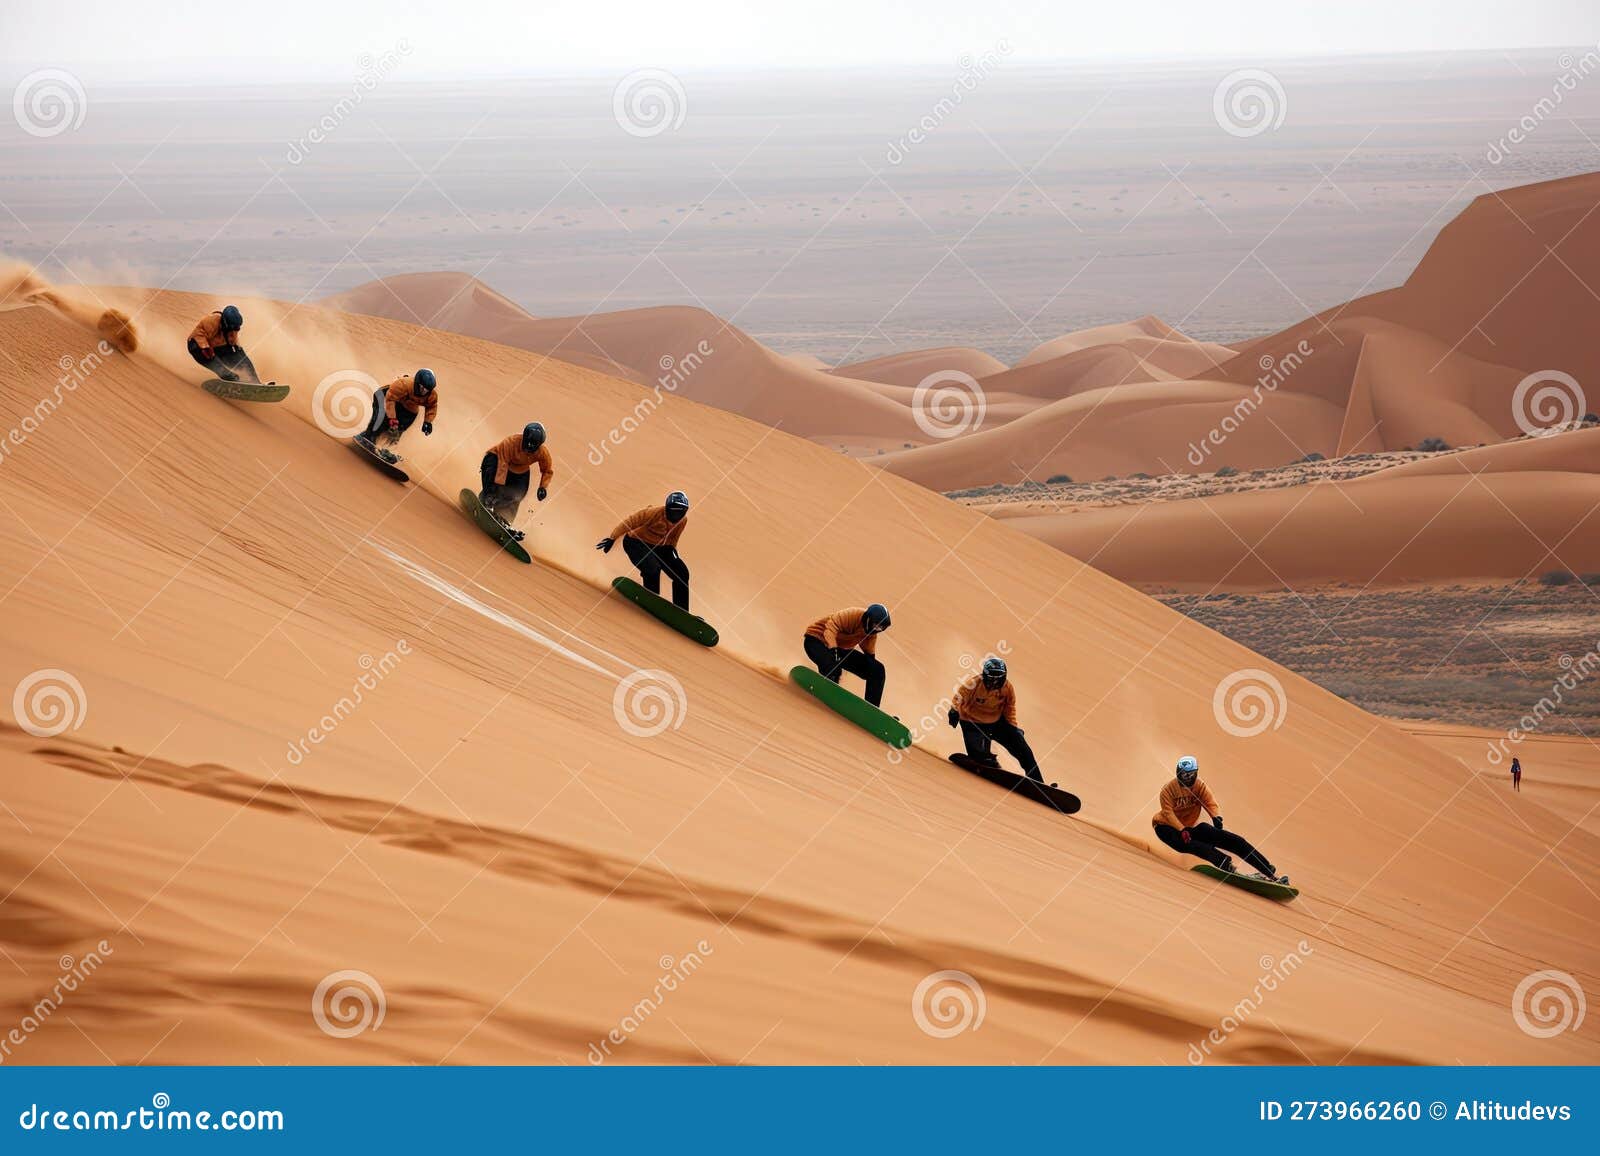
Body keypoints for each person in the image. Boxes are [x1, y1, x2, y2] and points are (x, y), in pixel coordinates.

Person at [1151, 755, 1287, 883]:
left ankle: (1269, 872)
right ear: (1177, 772)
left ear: (1196, 773)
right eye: (1183, 774)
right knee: (1198, 846)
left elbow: (1209, 802)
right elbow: (1168, 813)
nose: (1186, 778)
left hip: (1189, 828)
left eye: (1190, 775)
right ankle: (1226, 866)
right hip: (1165, 828)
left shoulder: (1199, 786)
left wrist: (1216, 817)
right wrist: (1181, 830)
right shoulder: (1168, 790)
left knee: (1235, 841)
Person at [946, 657, 1045, 783]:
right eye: (991, 678)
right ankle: (990, 763)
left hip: (996, 723)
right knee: (981, 758)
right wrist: (954, 710)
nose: (993, 682)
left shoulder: (1007, 688)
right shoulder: (973, 684)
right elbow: (959, 697)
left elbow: (1010, 708)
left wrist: (1013, 728)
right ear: (984, 675)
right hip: (972, 723)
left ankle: (1037, 781)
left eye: (997, 678)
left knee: (1022, 748)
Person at [597, 490, 692, 610]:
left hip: (661, 547)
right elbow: (630, 522)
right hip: (635, 543)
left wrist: (674, 557)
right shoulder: (653, 513)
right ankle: (651, 599)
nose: (676, 515)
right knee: (652, 568)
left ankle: (681, 610)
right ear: (667, 508)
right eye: (674, 510)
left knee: (682, 573)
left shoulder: (683, 521)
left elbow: (673, 539)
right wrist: (612, 538)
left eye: (680, 511)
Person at [803, 604, 891, 707]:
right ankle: (827, 692)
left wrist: (871, 667)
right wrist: (834, 650)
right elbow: (831, 627)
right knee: (834, 668)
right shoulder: (852, 614)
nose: (878, 628)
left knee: (877, 670)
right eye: (877, 624)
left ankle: (872, 708)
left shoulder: (871, 634)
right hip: (815, 640)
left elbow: (869, 652)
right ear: (869, 619)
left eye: (881, 627)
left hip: (839, 648)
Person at [479, 422, 553, 540]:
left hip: (519, 470)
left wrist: (543, 487)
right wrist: (496, 490)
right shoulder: (511, 442)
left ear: (539, 445)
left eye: (533, 446)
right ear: (524, 437)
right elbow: (502, 465)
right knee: (495, 483)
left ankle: (504, 519)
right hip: (496, 460)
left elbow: (547, 470)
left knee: (518, 494)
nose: (529, 447)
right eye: (527, 443)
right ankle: (487, 501)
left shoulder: (542, 452)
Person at [357, 369, 438, 452]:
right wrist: (392, 418)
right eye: (422, 387)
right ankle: (368, 436)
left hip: (408, 407)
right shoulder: (403, 384)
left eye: (427, 389)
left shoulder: (431, 395)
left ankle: (387, 448)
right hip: (385, 396)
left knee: (397, 431)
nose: (424, 391)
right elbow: (390, 400)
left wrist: (427, 422)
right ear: (416, 383)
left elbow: (432, 407)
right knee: (381, 418)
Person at [187, 305, 263, 383]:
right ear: (225, 323)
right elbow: (197, 336)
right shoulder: (211, 320)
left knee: (244, 362)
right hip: (197, 346)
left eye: (236, 328)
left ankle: (256, 383)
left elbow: (234, 345)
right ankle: (232, 381)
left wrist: (241, 355)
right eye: (231, 328)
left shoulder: (233, 327)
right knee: (226, 373)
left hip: (218, 347)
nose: (233, 331)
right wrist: (205, 347)